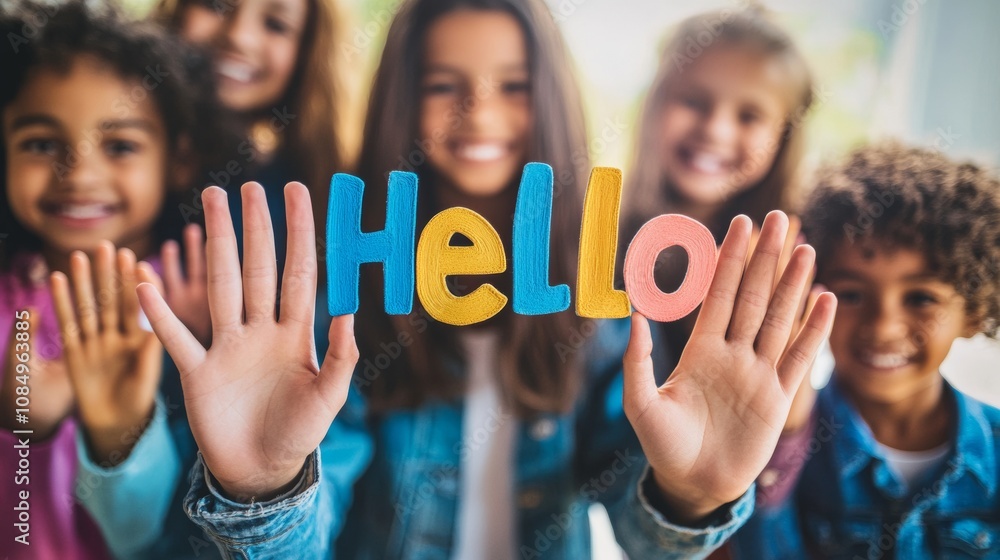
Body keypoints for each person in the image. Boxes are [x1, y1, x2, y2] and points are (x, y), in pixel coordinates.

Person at [136, 0, 837, 557]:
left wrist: (690, 496)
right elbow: (306, 538)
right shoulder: (347, 276)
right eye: (444, 85)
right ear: (400, 101)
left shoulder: (602, 277)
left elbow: (641, 529)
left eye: (512, 85)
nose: (480, 111)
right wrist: (264, 486)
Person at [0, 1, 228, 557]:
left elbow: (149, 535)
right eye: (40, 143)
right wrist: (19, 425)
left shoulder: (192, 305)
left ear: (179, 159)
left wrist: (117, 437)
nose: (79, 174)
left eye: (121, 146)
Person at [729, 143, 1000, 559]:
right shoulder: (781, 443)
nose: (882, 326)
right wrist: (786, 434)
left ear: (975, 311)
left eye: (921, 298)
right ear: (807, 296)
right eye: (851, 294)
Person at [621, 6, 815, 372]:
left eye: (749, 116)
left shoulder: (787, 260)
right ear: (655, 102)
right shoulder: (592, 230)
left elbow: (790, 416)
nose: (716, 130)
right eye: (693, 101)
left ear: (784, 136)